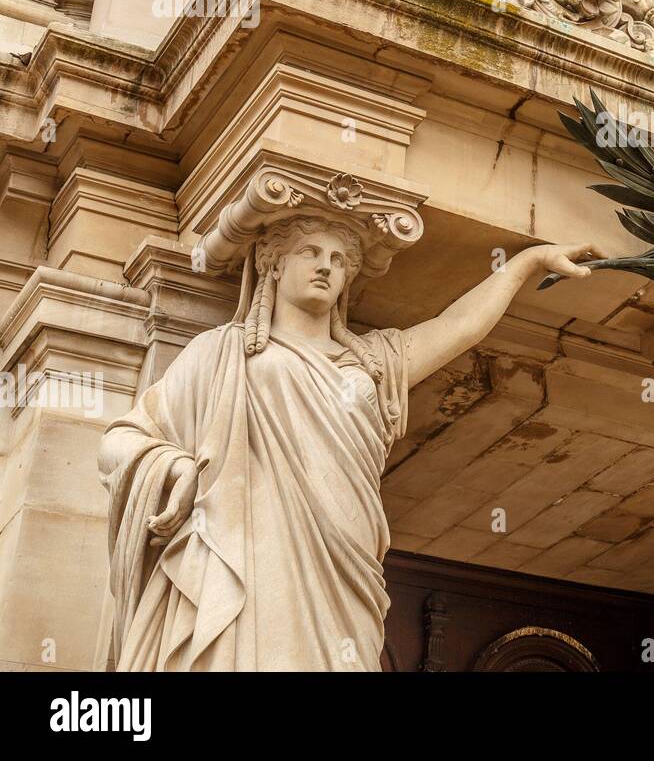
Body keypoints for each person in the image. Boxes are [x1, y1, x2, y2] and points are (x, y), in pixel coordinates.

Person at [99, 212, 601, 671]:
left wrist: (527, 262)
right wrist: (176, 468)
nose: (326, 267)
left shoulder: (373, 361)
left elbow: (461, 327)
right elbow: (121, 440)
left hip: (346, 560)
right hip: (251, 551)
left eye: (338, 260)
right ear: (273, 264)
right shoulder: (222, 353)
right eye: (309, 253)